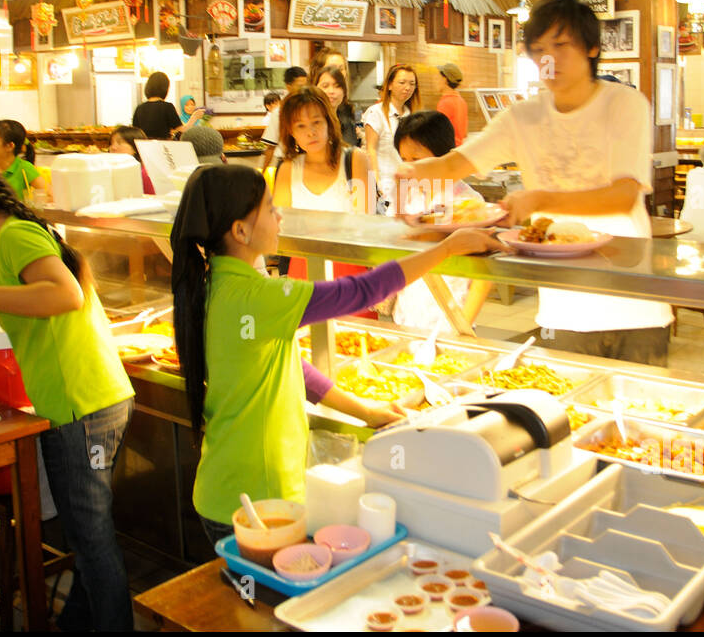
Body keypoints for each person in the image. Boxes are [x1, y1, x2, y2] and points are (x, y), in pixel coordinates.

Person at [170, 165, 499, 545]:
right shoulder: (256, 298)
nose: (280, 216)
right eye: (270, 207)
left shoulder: (219, 285)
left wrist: (366, 412)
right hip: (254, 503)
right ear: (240, 231)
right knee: (262, 600)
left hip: (227, 490)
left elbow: (291, 366)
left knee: (251, 598)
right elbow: (360, 291)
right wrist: (446, 248)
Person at [398, 0, 675, 367]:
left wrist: (538, 200)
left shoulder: (624, 104)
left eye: (561, 45)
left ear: (592, 47)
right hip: (562, 309)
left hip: (633, 304)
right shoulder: (523, 117)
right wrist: (412, 170)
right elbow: (456, 163)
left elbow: (623, 196)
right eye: (539, 49)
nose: (549, 58)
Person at [0, 171, 135, 630]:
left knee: (92, 537)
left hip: (79, 405)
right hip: (94, 397)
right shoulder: (21, 238)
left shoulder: (16, 234)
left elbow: (65, 294)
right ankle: (79, 622)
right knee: (87, 533)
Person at [391, 111, 493, 333]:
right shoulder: (406, 197)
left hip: (450, 319)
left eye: (416, 160)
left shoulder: (468, 202)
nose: (408, 168)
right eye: (404, 159)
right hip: (406, 313)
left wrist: (462, 328)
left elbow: (484, 277)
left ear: (443, 156)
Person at [273, 87, 368, 215]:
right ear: (291, 131)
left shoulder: (357, 159)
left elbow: (366, 221)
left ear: (328, 122)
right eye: (300, 126)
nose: (310, 133)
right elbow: (281, 225)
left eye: (316, 122)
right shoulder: (287, 169)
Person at [364, 64, 421, 215]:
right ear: (389, 85)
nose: (407, 88)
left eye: (412, 84)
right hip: (384, 187)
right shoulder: (376, 113)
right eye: (402, 83)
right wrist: (376, 184)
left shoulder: (413, 115)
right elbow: (370, 149)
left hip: (409, 189)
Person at [316, 66, 359, 148]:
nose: (331, 91)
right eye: (325, 86)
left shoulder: (347, 117)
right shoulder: (311, 120)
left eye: (337, 86)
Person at [132, 71, 182, 140]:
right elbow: (180, 129)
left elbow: (135, 131)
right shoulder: (167, 107)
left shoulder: (139, 108)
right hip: (162, 146)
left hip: (144, 147)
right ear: (165, 88)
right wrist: (194, 117)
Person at [110, 125, 154, 194]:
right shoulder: (111, 171)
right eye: (111, 143)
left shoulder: (144, 174)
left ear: (135, 147)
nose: (113, 147)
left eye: (119, 143)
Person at [435, 63, 469, 146]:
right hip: (458, 149)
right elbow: (464, 133)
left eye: (437, 78)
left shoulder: (445, 103)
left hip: (446, 149)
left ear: (445, 79)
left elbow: (438, 133)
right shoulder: (462, 101)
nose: (435, 81)